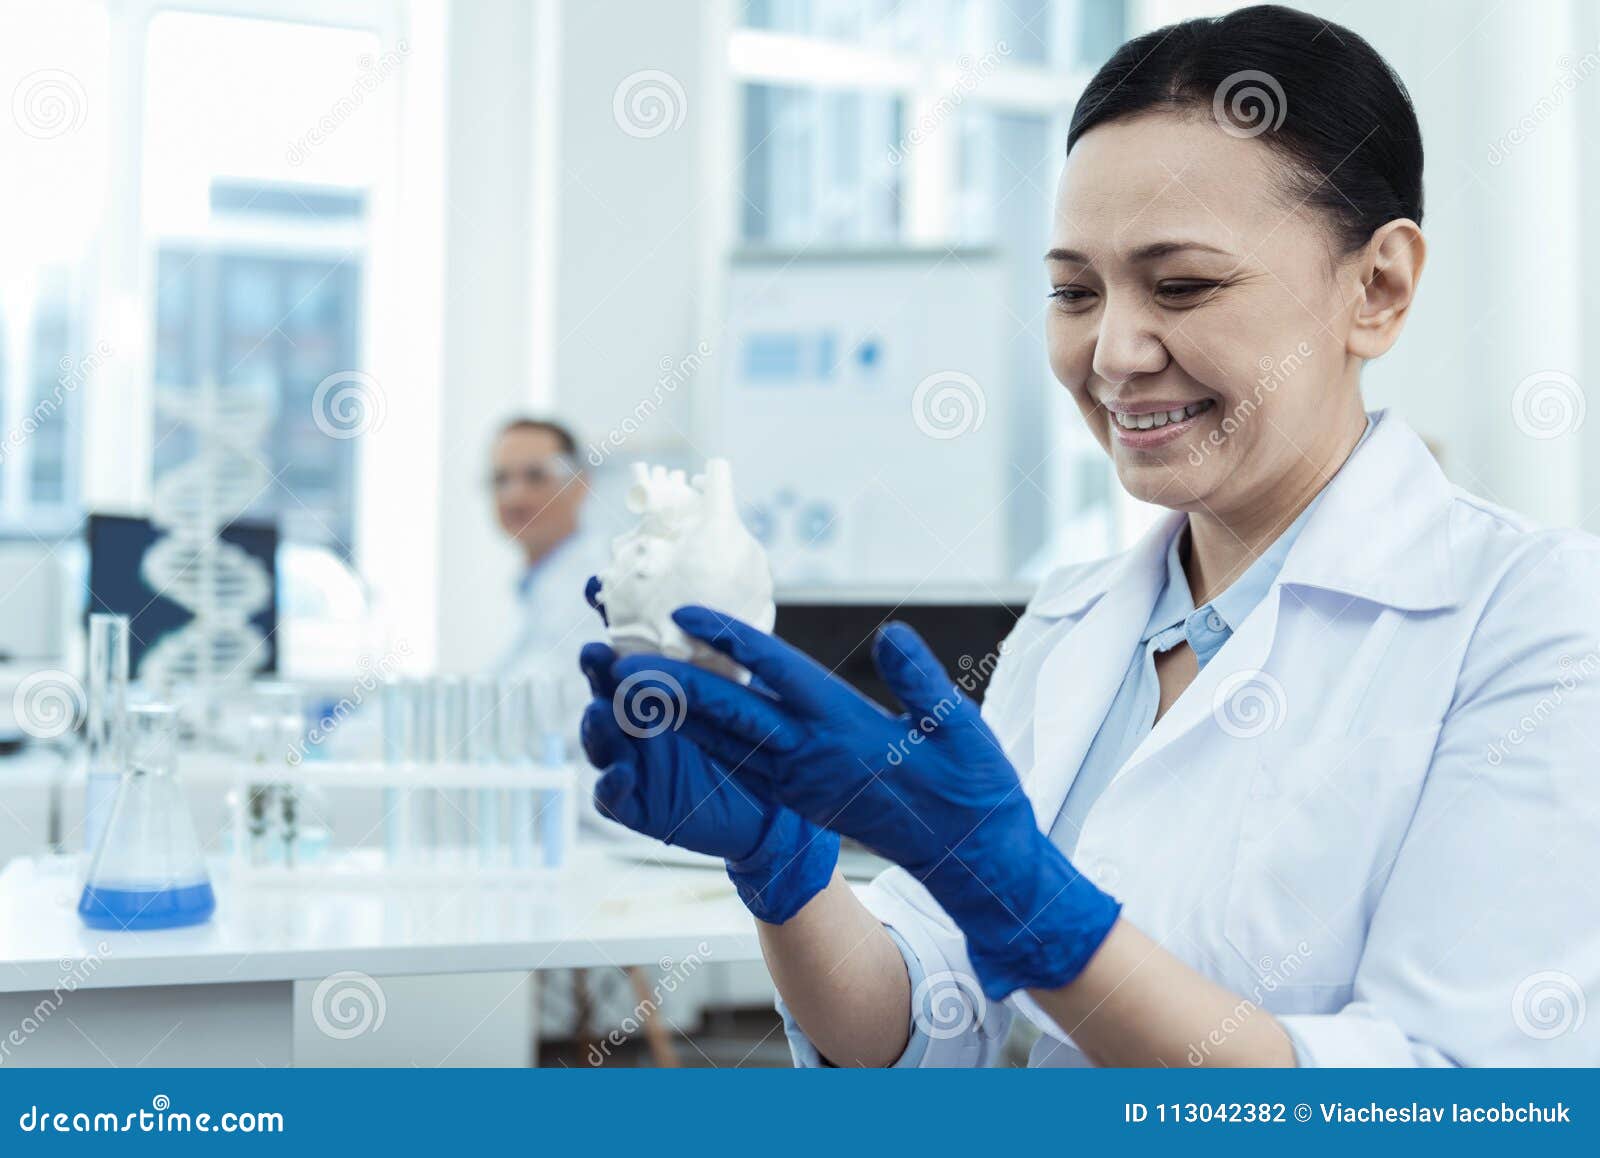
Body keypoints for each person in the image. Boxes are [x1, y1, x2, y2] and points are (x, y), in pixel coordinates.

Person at [578, 4, 1600, 1067]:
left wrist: (1040, 916)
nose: (1111, 352)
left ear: (1377, 289)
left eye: (1183, 285)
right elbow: (935, 1018)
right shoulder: (1074, 622)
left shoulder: (1538, 621)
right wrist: (787, 869)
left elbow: (1456, 1099)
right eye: (1073, 291)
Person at [489, 417, 607, 680]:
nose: (514, 496)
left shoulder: (599, 587)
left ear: (580, 485)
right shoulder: (532, 587)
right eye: (501, 479)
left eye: (536, 476)